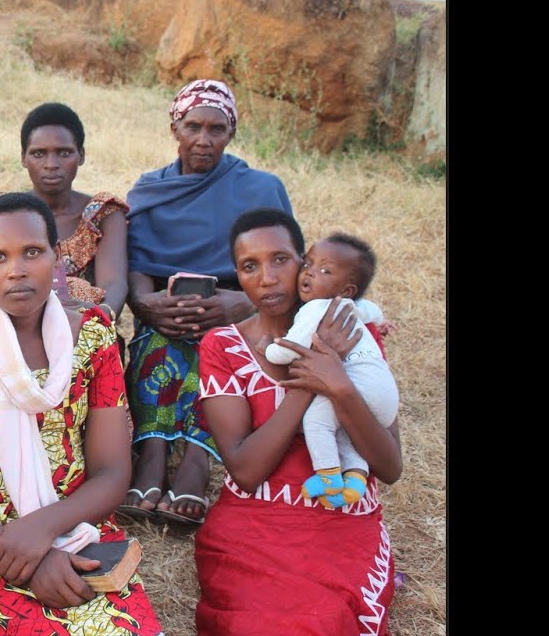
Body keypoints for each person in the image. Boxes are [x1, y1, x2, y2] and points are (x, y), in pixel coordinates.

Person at [0, 193, 162, 635]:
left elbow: (111, 472)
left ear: (56, 256)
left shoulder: (94, 337)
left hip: (75, 525)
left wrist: (42, 531)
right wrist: (28, 556)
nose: (16, 270)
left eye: (32, 252)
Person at [195, 208, 401, 634]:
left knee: (326, 620)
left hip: (344, 516)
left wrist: (341, 386)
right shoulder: (223, 346)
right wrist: (310, 381)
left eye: (281, 260)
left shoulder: (352, 330)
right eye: (250, 266)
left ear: (305, 263)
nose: (267, 278)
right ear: (237, 276)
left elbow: (389, 465)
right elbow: (246, 471)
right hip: (251, 521)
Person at [119, 79, 293, 525]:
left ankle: (197, 460)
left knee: (219, 352)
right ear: (174, 128)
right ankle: (152, 454)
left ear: (231, 133)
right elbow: (136, 263)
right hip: (167, 309)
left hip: (238, 305)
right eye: (193, 126)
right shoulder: (150, 190)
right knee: (158, 347)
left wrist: (246, 304)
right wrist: (147, 303)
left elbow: (285, 267)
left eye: (216, 129)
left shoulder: (261, 189)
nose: (203, 139)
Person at [263, 233, 398, 509]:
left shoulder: (314, 309)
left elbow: (290, 350)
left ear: (347, 289)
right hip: (384, 393)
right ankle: (356, 477)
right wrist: (382, 321)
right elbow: (372, 310)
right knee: (343, 429)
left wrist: (269, 349)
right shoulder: (353, 305)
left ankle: (328, 477)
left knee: (317, 421)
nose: (309, 273)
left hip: (357, 387)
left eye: (324, 271)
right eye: (308, 264)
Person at [20, 102, 128, 317]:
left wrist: (98, 318)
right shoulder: (4, 215)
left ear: (82, 155)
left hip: (87, 326)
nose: (51, 164)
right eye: (39, 153)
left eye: (64, 152)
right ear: (23, 158)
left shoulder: (102, 214)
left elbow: (114, 284)